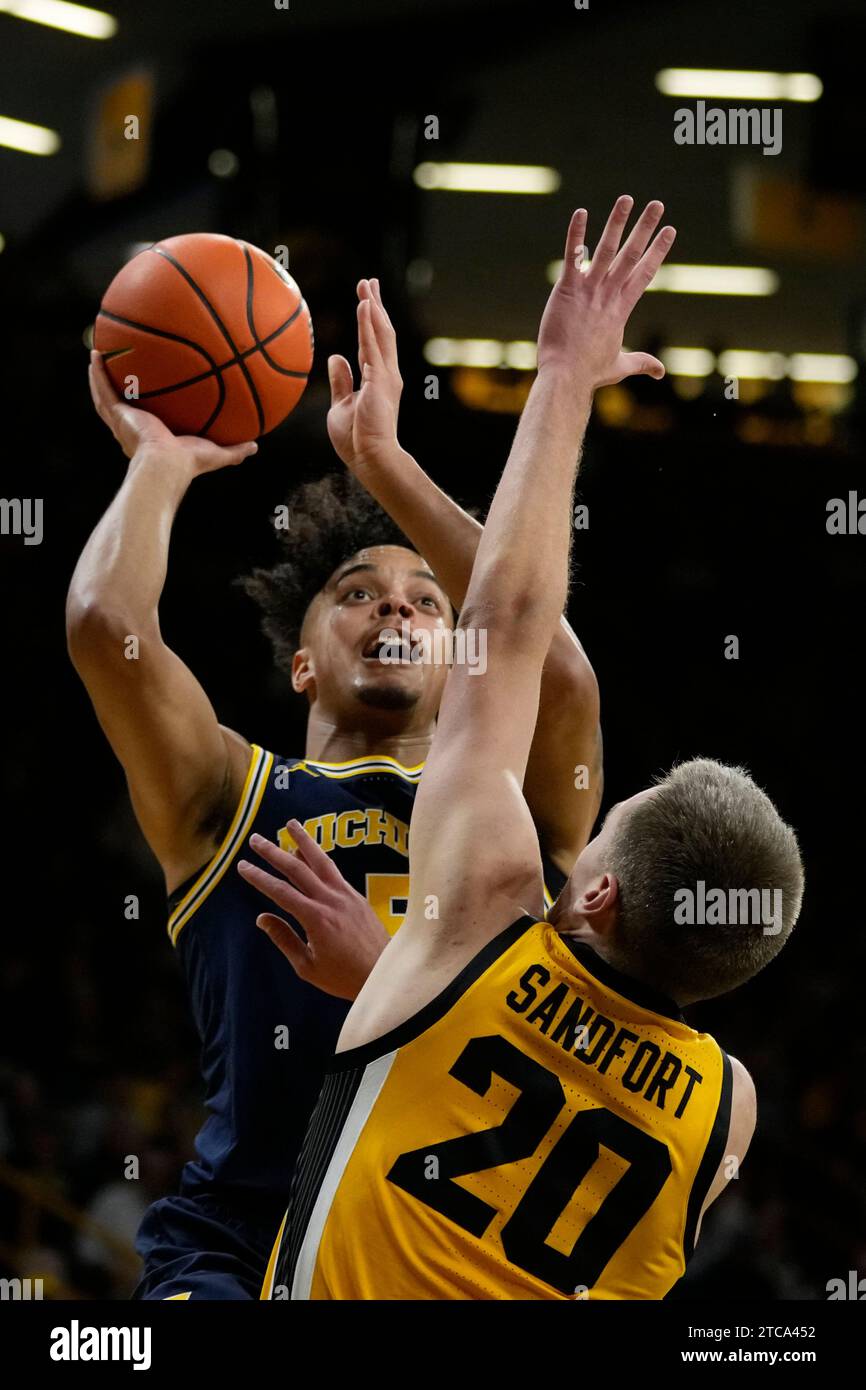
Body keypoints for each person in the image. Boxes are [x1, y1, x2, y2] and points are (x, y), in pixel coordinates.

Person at [251, 197, 804, 1301]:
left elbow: (508, 630)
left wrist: (559, 377)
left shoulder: (481, 904)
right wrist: (400, 988)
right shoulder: (721, 1109)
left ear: (592, 897)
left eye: (598, 836)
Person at [65, 276, 601, 1298]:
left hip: (427, 1253)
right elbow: (105, 628)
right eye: (355, 594)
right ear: (300, 660)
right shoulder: (232, 793)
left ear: (462, 660)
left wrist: (385, 465)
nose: (392, 609)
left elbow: (558, 668)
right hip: (236, 1239)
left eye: (424, 602)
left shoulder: (506, 809)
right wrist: (160, 465)